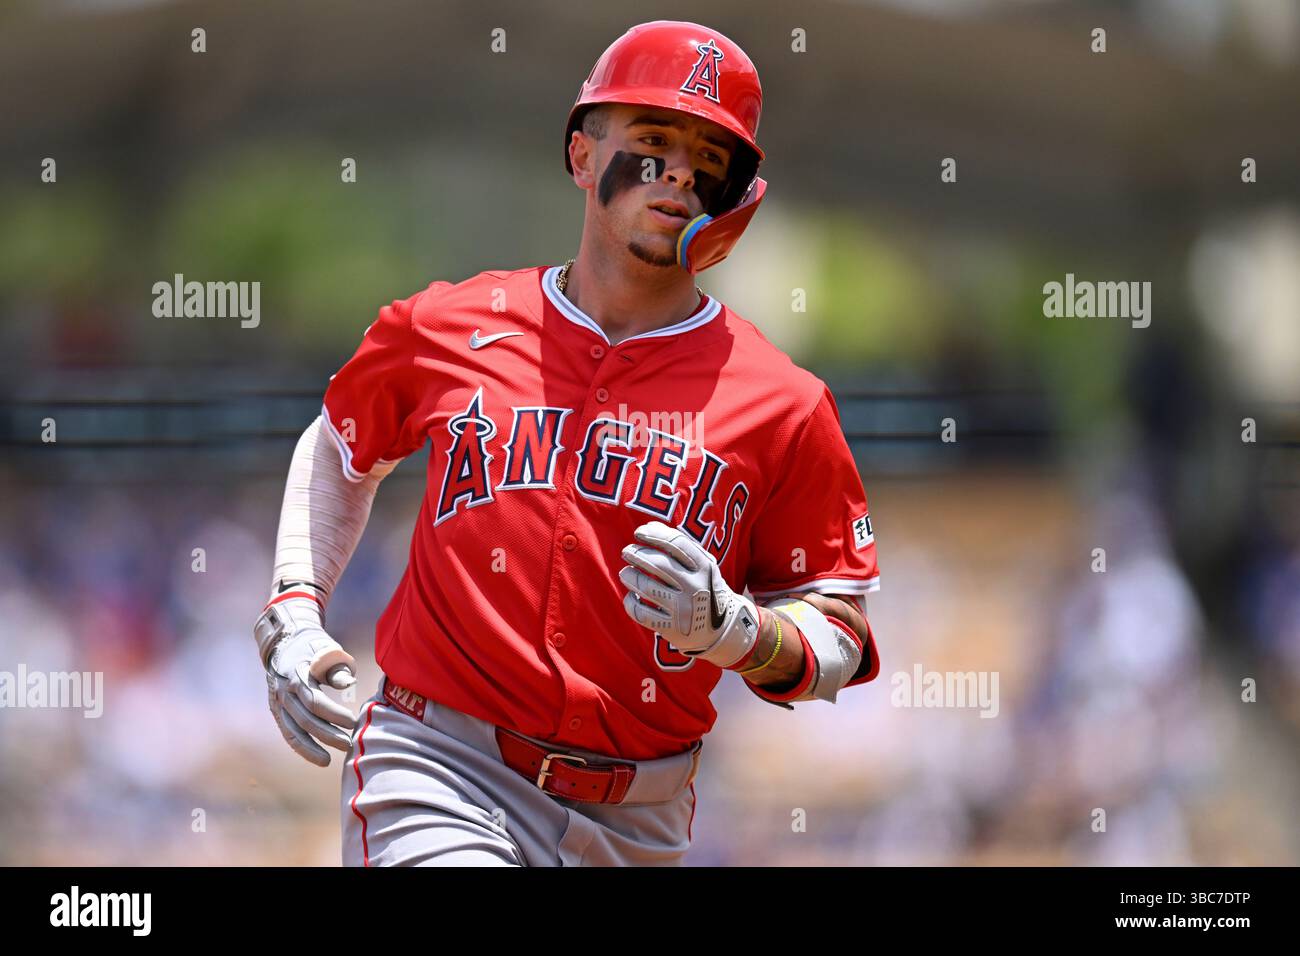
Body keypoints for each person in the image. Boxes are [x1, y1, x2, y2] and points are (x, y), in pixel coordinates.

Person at [253, 19, 881, 867]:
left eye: (710, 157)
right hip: (441, 765)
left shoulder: (784, 403)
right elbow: (340, 446)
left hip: (642, 814)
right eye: (654, 141)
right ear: (584, 156)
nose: (680, 174)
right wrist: (294, 609)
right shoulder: (448, 325)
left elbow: (839, 632)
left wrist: (738, 632)